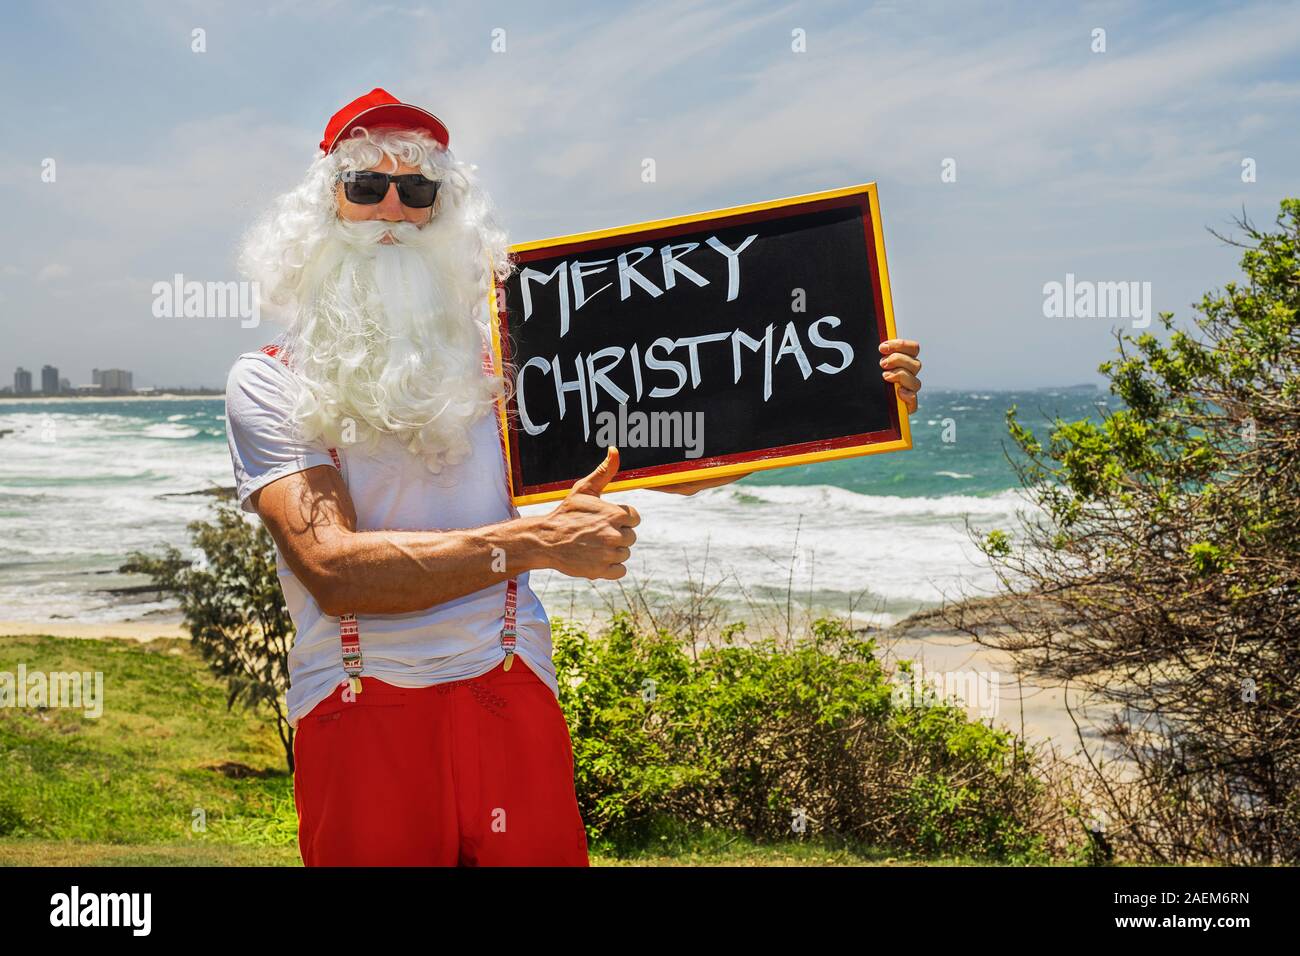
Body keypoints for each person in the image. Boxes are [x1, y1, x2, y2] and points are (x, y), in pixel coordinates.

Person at [224, 88, 923, 867]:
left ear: (441, 212)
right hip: (356, 703)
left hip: (510, 683)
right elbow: (334, 571)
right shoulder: (269, 382)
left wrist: (843, 388)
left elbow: (676, 450)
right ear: (326, 206)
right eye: (366, 187)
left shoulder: (510, 359)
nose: (391, 209)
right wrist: (535, 542)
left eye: (415, 190)